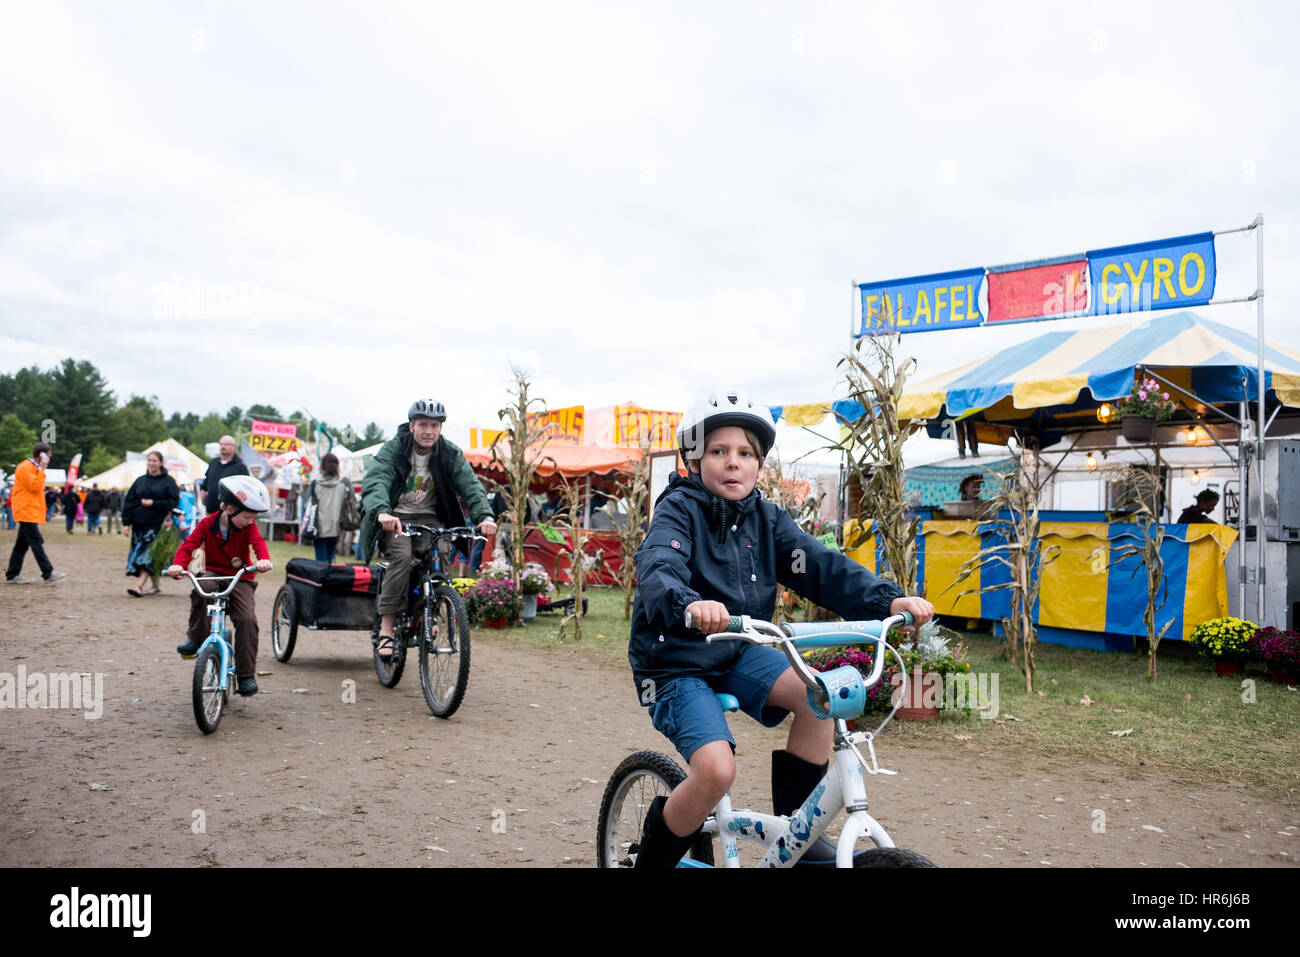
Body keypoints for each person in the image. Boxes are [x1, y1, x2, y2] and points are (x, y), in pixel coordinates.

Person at [627, 390, 934, 869]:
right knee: (715, 770)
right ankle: (649, 863)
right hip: (677, 661)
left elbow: (820, 566)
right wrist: (689, 603)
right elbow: (659, 566)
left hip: (739, 649)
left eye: (745, 453)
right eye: (718, 451)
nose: (733, 464)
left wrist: (886, 599)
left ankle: (799, 834)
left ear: (759, 465)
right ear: (693, 459)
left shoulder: (767, 521)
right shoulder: (678, 511)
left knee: (821, 697)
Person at [360, 399, 497, 658]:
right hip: (395, 515)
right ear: (411, 425)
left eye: (434, 425)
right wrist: (382, 511)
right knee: (401, 557)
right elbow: (377, 480)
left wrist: (485, 516)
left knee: (441, 553)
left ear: (441, 428)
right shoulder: (394, 449)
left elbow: (470, 485)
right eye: (423, 424)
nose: (429, 431)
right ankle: (386, 630)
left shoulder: (449, 453)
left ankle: (428, 615)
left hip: (430, 518)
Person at [167, 475, 272, 697]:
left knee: (247, 620)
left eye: (254, 517)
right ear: (229, 508)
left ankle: (245, 674)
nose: (251, 521)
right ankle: (196, 636)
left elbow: (258, 543)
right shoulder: (207, 524)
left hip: (240, 576)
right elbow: (189, 546)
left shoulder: (248, 528)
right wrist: (178, 565)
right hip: (214, 572)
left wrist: (262, 559)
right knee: (201, 590)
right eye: (247, 516)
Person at [5, 442, 66, 583]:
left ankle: (12, 574)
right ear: (41, 455)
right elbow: (34, 486)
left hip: (29, 510)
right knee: (36, 541)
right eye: (48, 456)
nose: (49, 459)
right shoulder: (26, 467)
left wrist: (41, 469)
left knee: (21, 545)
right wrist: (43, 468)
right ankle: (47, 572)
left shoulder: (32, 468)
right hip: (26, 510)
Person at [122, 451, 181, 596]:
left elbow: (174, 502)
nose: (151, 463)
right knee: (144, 555)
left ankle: (139, 587)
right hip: (139, 523)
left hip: (158, 525)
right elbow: (129, 502)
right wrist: (126, 523)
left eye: (155, 460)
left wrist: (154, 503)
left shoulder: (168, 481)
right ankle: (155, 586)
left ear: (161, 463)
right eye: (149, 460)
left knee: (148, 555)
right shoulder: (140, 481)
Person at [309, 452, 348, 564]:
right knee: (331, 557)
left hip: (319, 527)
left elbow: (311, 505)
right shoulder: (344, 483)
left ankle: (323, 580)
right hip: (336, 526)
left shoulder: (316, 483)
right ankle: (331, 579)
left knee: (321, 560)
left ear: (322, 466)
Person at [200, 435, 249, 517]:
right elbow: (206, 481)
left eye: (226, 444)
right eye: (221, 444)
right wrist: (202, 490)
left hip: (229, 513)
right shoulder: (213, 463)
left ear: (234, 447)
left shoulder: (240, 467)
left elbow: (244, 489)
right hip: (210, 510)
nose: (223, 446)